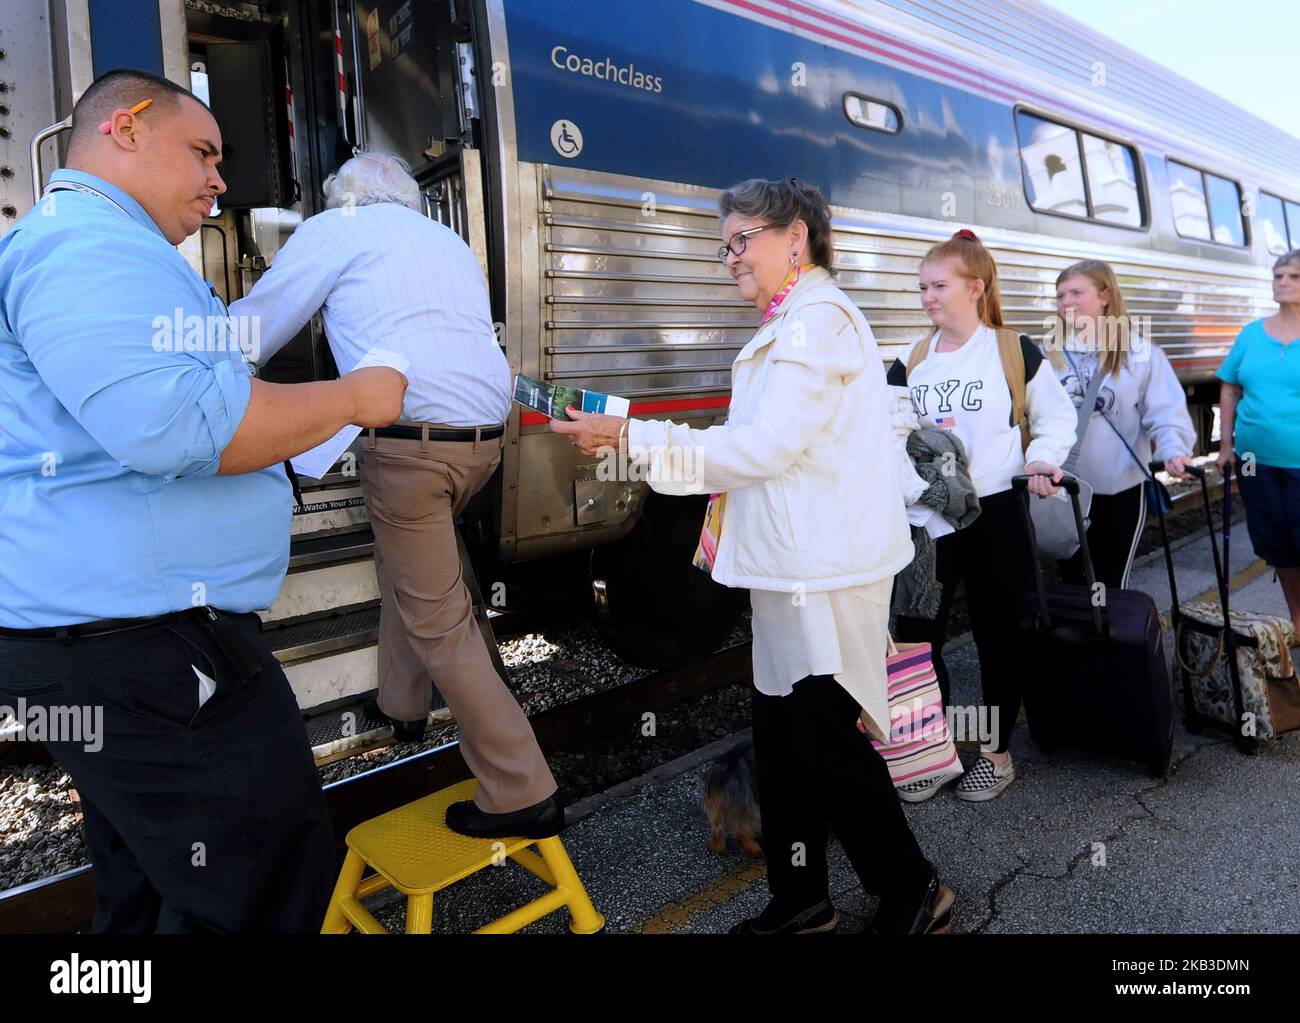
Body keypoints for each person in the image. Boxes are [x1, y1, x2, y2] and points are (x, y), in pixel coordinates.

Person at [0, 69, 407, 931]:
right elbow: (180, 425)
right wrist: (351, 397)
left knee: (153, 885)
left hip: (118, 642)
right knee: (261, 885)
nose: (221, 180)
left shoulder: (102, 247)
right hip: (148, 652)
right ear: (126, 126)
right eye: (203, 152)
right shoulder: (90, 249)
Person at [553, 177, 952, 935]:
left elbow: (764, 448)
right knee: (784, 734)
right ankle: (801, 894)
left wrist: (631, 438)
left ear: (794, 237)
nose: (730, 257)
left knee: (829, 738)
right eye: (724, 244)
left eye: (743, 240)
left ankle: (914, 887)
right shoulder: (791, 321)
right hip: (787, 565)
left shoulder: (817, 323)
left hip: (825, 569)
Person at [229, 151, 560, 839]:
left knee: (438, 614)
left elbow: (253, 330)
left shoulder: (334, 228)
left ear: (341, 197)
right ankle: (402, 701)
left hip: (412, 446)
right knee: (413, 571)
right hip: (484, 442)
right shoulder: (444, 240)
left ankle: (520, 789)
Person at [890, 230, 1076, 802]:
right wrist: (909, 490)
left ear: (975, 287)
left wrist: (1043, 460)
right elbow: (890, 434)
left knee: (999, 635)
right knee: (918, 639)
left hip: (996, 511)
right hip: (928, 518)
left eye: (939, 286)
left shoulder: (1013, 351)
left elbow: (1055, 418)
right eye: (922, 287)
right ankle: (930, 751)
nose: (928, 297)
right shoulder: (909, 361)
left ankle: (994, 754)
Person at [1047, 260, 1196, 588]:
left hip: (1119, 489)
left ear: (1105, 296)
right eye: (1060, 296)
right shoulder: (1049, 356)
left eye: (1076, 293)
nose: (1066, 303)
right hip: (1065, 489)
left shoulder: (1140, 353)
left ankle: (1105, 639)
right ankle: (1076, 638)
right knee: (1070, 579)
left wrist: (1173, 450)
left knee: (1108, 582)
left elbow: (1165, 412)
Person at [1216, 249, 1300, 631]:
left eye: (1293, 277)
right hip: (1254, 460)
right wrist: (1226, 447)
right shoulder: (1252, 333)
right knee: (1277, 545)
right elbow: (1230, 389)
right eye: (1278, 276)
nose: (1283, 282)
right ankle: (1298, 620)